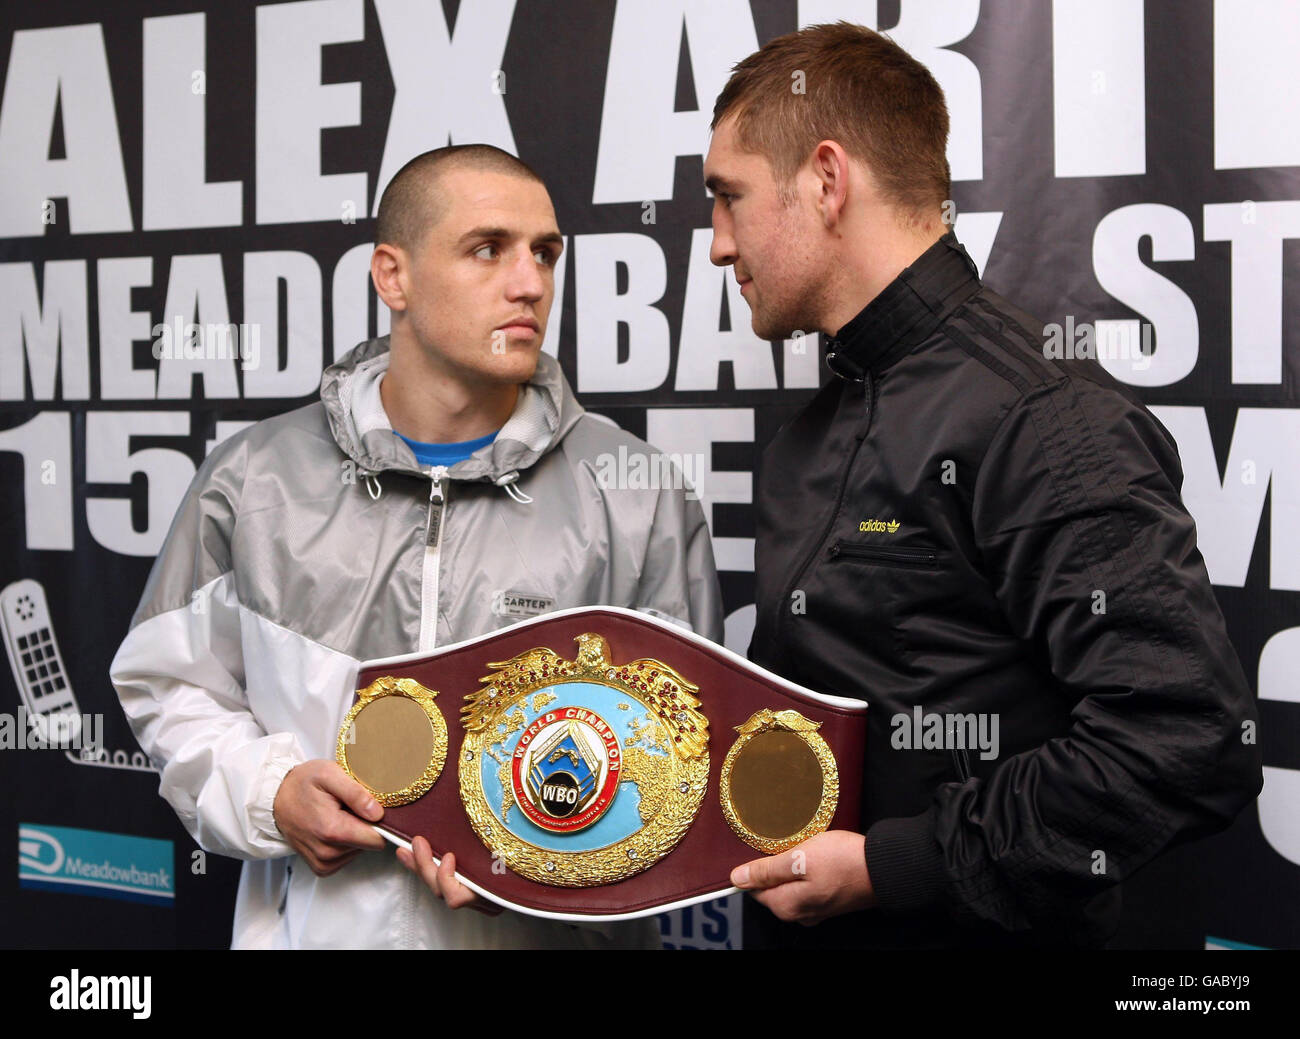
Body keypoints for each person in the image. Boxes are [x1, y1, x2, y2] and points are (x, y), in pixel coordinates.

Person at [703, 22, 1262, 947]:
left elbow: (1184, 736)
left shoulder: (1041, 416)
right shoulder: (812, 427)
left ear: (827, 180)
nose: (719, 245)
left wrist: (898, 866)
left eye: (729, 197)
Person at [109, 144, 724, 949]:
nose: (530, 282)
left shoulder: (638, 492)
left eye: (544, 252)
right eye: (487, 248)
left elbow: (687, 752)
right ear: (392, 277)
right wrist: (269, 792)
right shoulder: (254, 479)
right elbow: (169, 687)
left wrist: (553, 869)